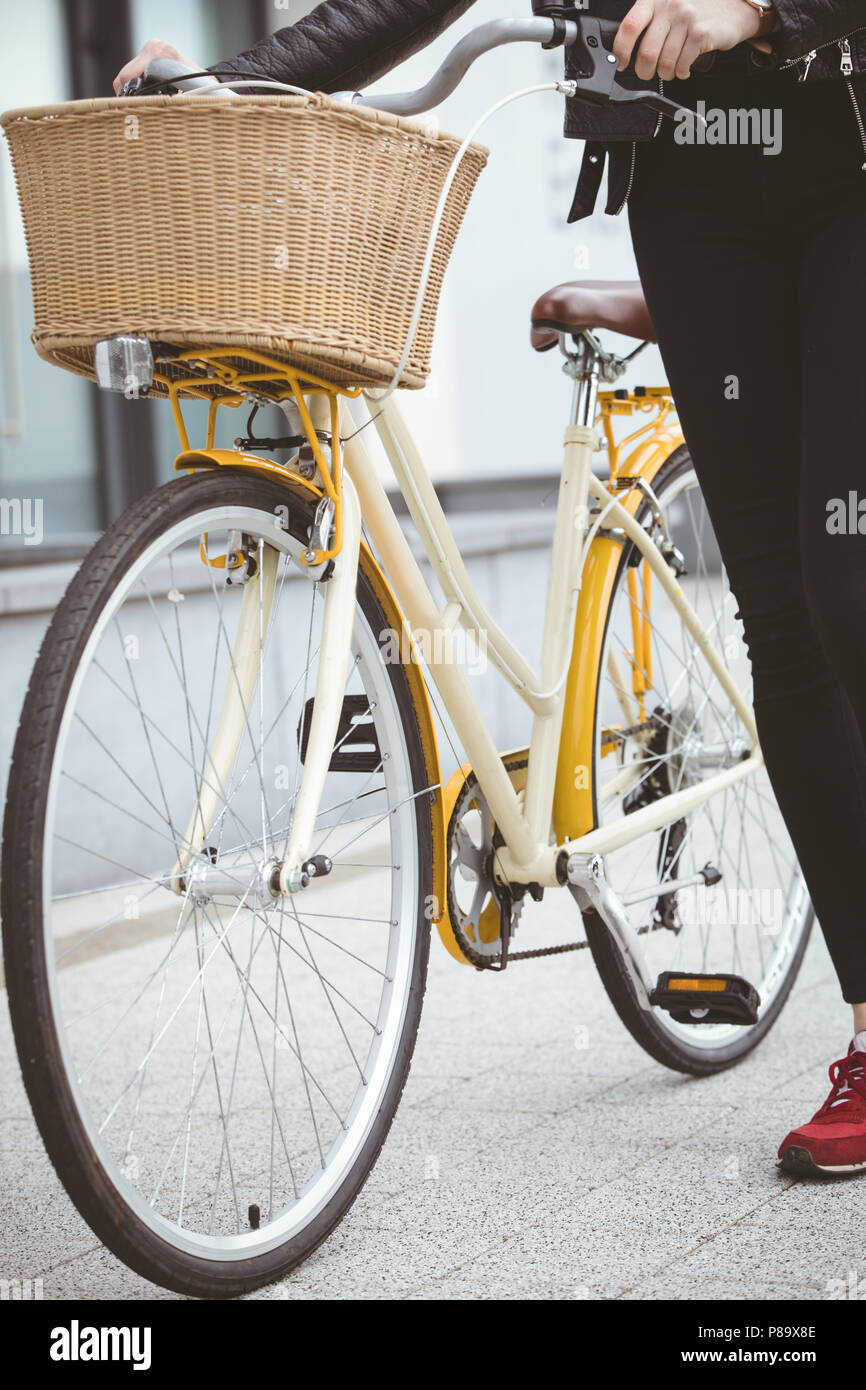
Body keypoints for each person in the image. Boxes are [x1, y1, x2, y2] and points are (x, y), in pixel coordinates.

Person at [115, 0, 866, 1177]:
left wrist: (753, 8)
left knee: (845, 581)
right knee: (779, 609)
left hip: (846, 157)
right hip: (693, 189)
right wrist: (224, 83)